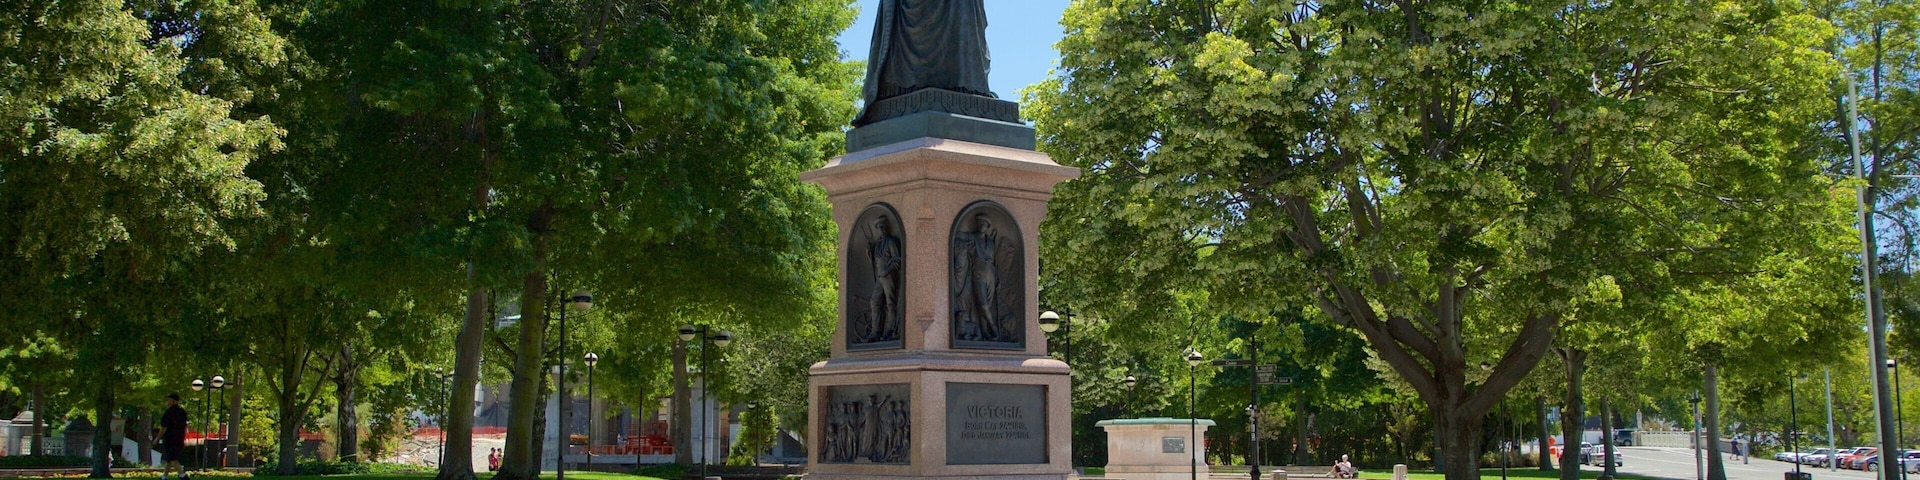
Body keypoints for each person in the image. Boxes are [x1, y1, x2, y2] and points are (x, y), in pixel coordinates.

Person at [159, 393, 189, 480]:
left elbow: (164, 427)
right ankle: (164, 477)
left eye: (168, 399)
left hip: (169, 438)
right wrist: (184, 437)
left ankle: (183, 476)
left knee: (172, 458)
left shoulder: (168, 413)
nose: (167, 401)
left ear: (173, 401)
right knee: (169, 458)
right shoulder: (182, 412)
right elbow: (185, 426)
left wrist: (158, 438)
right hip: (179, 438)